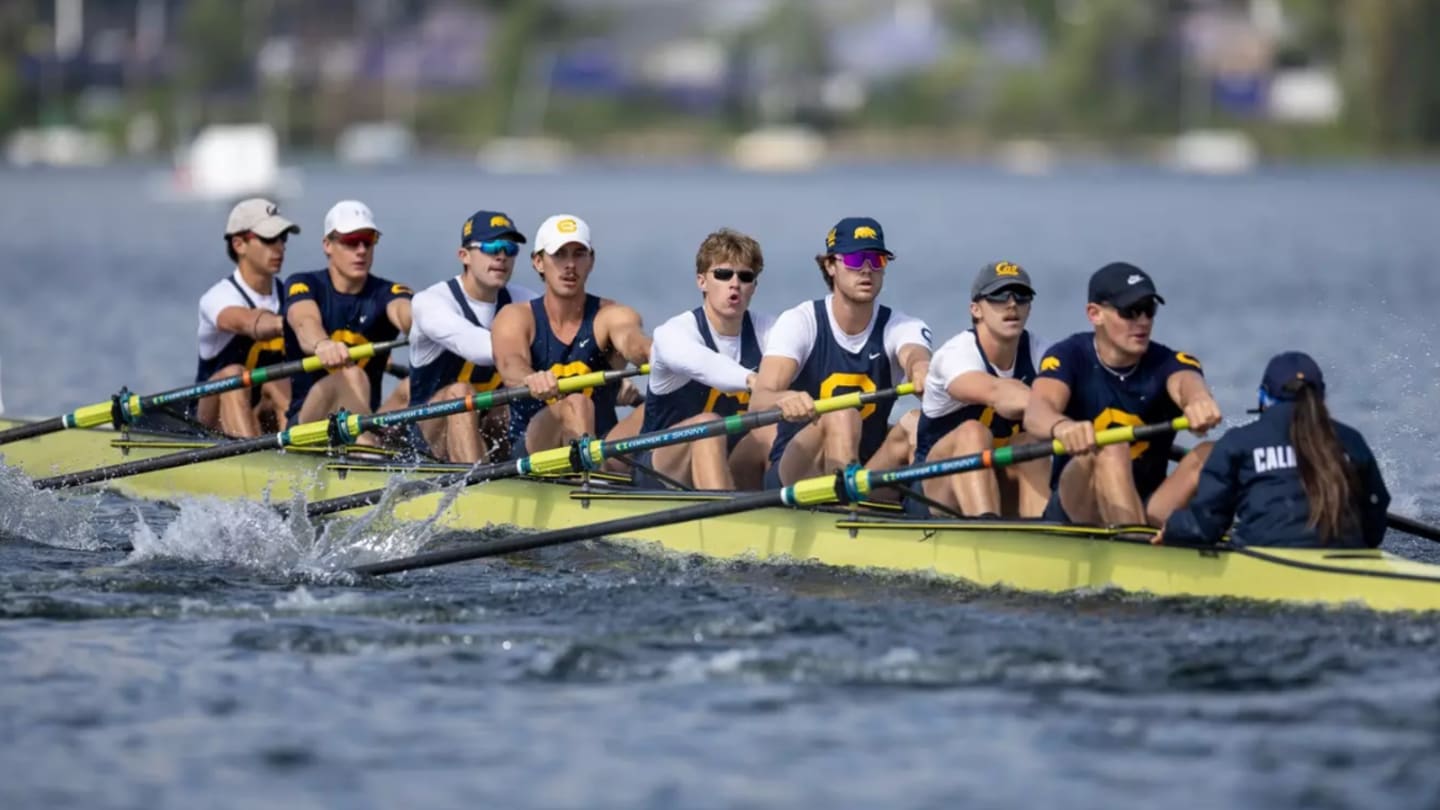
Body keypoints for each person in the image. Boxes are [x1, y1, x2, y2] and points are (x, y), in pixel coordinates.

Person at [1023, 262, 1222, 527]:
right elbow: (1037, 412)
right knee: (1111, 447)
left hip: (1148, 505)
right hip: (1078, 506)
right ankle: (1139, 550)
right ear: (1095, 314)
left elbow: (1188, 383)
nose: (1142, 322)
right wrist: (1061, 427)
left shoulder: (1168, 362)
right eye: (1130, 311)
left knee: (1213, 452)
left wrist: (1199, 401)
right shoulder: (1069, 356)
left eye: (1149, 311)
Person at [752, 217, 931, 488]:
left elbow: (916, 356)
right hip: (797, 474)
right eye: (856, 260)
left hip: (866, 473)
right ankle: (850, 519)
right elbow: (759, 400)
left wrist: (921, 373)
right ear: (830, 265)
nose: (867, 270)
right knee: (843, 413)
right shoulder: (801, 322)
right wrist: (784, 399)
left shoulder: (903, 326)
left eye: (877, 260)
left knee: (915, 423)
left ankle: (936, 514)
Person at [1155, 352, 1390, 548]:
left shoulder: (1238, 441)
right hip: (1348, 560)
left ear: (1262, 397)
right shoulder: (1351, 440)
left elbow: (1206, 525)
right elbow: (1376, 507)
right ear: (1321, 397)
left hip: (1264, 557)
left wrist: (1174, 529)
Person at [491, 214, 652, 459]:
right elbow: (510, 364)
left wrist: (656, 354)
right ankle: (586, 485)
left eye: (579, 254)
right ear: (538, 262)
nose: (570, 265)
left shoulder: (612, 315)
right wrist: (531, 378)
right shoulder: (515, 317)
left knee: (664, 406)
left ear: (591, 260)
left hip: (601, 451)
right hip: (534, 452)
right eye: (559, 255)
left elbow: (633, 342)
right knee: (576, 403)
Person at [640, 228, 775, 490]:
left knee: (773, 433)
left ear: (754, 287)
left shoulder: (770, 331)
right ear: (702, 281)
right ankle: (727, 523)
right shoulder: (673, 333)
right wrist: (752, 379)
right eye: (723, 275)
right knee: (708, 425)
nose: (734, 284)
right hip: (662, 471)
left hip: (731, 462)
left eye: (745, 277)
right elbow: (706, 365)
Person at [914, 261, 1050, 517]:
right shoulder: (956, 354)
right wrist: (1058, 415)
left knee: (1030, 443)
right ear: (976, 309)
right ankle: (985, 526)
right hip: (934, 494)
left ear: (1029, 308)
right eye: (999, 296)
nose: (1012, 304)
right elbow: (997, 392)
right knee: (973, 432)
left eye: (1021, 297)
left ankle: (1046, 535)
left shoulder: (1042, 353)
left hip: (1000, 482)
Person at [407, 211, 540, 462]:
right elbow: (476, 348)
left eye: (510, 249)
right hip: (429, 434)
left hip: (491, 423)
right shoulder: (431, 302)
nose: (501, 256)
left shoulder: (526, 301)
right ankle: (478, 488)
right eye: (492, 247)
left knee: (522, 404)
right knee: (461, 392)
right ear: (464, 255)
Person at [283, 200, 413, 428]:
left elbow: (406, 314)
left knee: (416, 386)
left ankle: (455, 460)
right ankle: (370, 451)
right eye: (351, 241)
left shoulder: (390, 293)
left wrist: (427, 327)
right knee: (351, 375)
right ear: (327, 245)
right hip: (309, 423)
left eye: (368, 241)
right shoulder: (304, 283)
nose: (361, 250)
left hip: (365, 420)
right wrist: (322, 344)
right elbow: (304, 321)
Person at [193, 199, 300, 436]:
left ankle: (298, 458)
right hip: (209, 422)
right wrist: (296, 325)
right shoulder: (218, 297)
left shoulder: (292, 297)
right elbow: (246, 321)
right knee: (233, 374)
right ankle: (249, 461)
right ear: (239, 244)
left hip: (262, 413)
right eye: (269, 239)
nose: (280, 247)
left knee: (282, 381)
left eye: (283, 239)